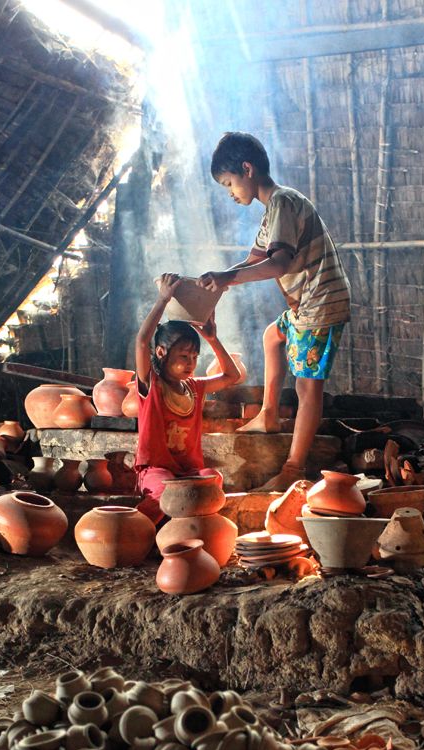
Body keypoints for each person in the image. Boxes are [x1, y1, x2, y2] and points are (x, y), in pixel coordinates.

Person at [198, 131, 351, 491]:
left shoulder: (283, 202)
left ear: (247, 169)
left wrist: (225, 278)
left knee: (307, 386)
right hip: (305, 306)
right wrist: (213, 288)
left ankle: (294, 468)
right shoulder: (271, 214)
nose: (231, 193)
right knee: (273, 336)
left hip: (320, 303)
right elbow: (253, 261)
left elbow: (278, 263)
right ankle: (268, 415)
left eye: (229, 183)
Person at [134, 272, 241, 523]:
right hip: (156, 472)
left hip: (189, 473)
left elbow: (231, 375)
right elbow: (141, 342)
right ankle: (139, 530)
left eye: (194, 357)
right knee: (166, 489)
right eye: (184, 356)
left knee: (212, 478)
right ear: (161, 353)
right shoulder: (152, 385)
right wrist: (162, 300)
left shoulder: (195, 387)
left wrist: (212, 339)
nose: (191, 363)